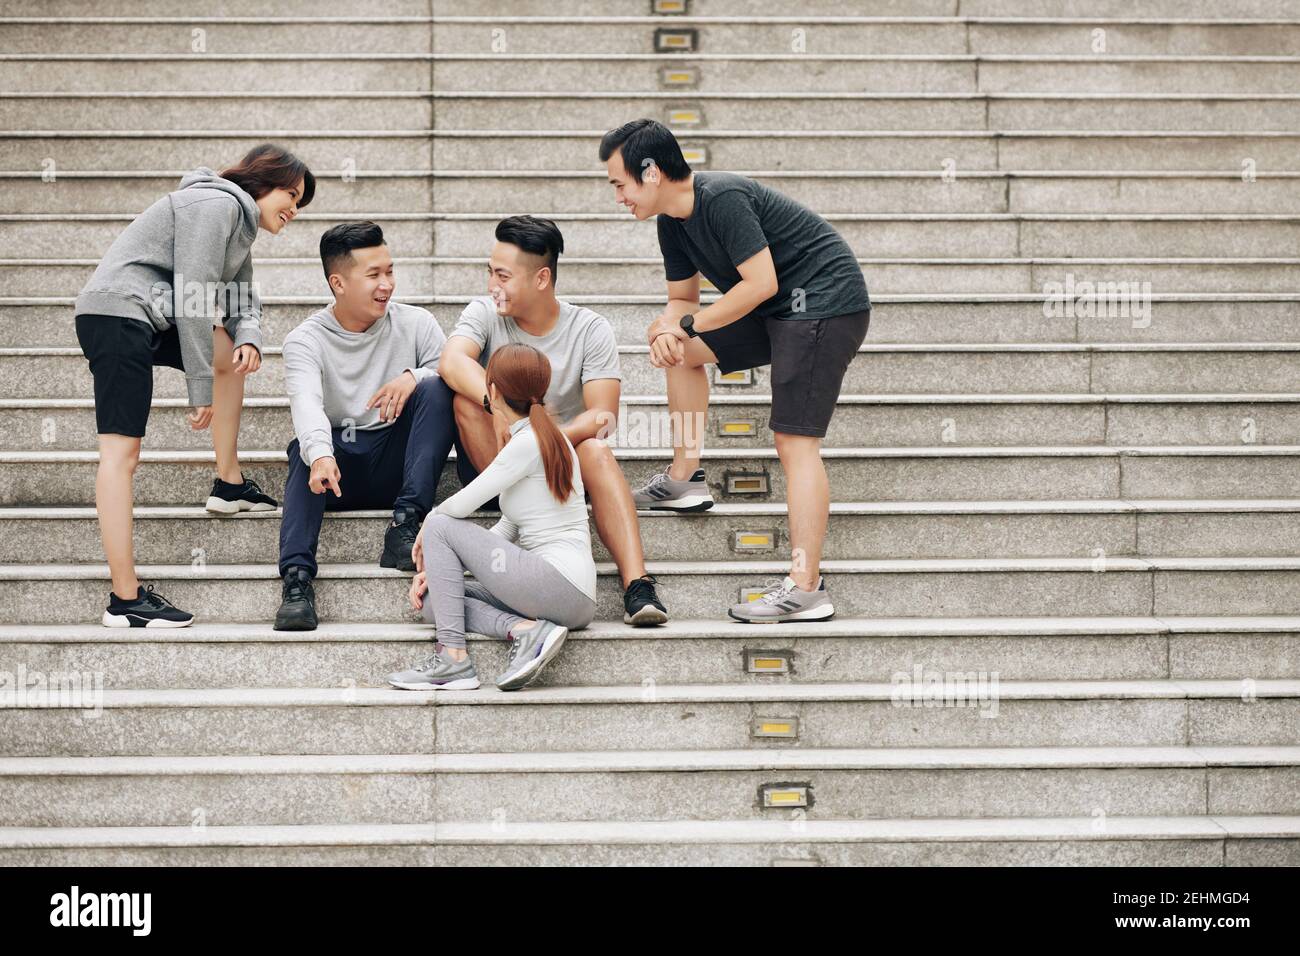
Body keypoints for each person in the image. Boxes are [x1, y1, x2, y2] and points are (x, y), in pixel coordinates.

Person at [599, 119, 872, 623]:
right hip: (778, 308)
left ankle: (806, 585)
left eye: (619, 183)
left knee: (794, 441)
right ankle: (684, 478)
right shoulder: (671, 220)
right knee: (684, 349)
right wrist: (666, 329)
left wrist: (680, 324)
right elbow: (682, 300)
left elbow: (761, 282)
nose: (617, 196)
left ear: (651, 172)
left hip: (825, 303)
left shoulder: (720, 197)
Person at [73, 142, 314, 627]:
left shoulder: (239, 224)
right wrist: (199, 388)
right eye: (290, 194)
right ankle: (125, 599)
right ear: (260, 184)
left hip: (145, 315)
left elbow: (242, 297)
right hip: (118, 315)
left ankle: (228, 484)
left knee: (229, 349)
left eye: (300, 201)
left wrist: (249, 338)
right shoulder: (217, 205)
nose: (293, 209)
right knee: (122, 455)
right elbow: (195, 291)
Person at [438, 215, 669, 626]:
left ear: (542, 278)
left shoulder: (588, 328)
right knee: (463, 400)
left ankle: (638, 584)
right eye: (490, 271)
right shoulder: (485, 312)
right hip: (496, 466)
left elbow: (603, 415)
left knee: (596, 448)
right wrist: (496, 409)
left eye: (503, 275)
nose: (493, 284)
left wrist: (543, 440)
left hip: (558, 479)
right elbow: (452, 360)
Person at [275, 221, 458, 630]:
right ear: (338, 283)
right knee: (303, 451)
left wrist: (414, 376)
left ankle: (405, 524)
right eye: (373, 275)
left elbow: (455, 371)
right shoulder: (305, 340)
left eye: (389, 271)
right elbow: (305, 401)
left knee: (438, 386)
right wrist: (321, 454)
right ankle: (297, 582)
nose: (387, 284)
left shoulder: (416, 323)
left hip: (400, 462)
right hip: (342, 470)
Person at [389, 343, 597, 692]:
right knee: (434, 600)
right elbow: (507, 529)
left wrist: (429, 528)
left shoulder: (528, 443)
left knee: (440, 521)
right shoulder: (545, 438)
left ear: (493, 390)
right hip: (564, 596)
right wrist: (441, 572)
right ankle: (525, 631)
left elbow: (458, 507)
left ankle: (452, 659)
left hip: (558, 583)